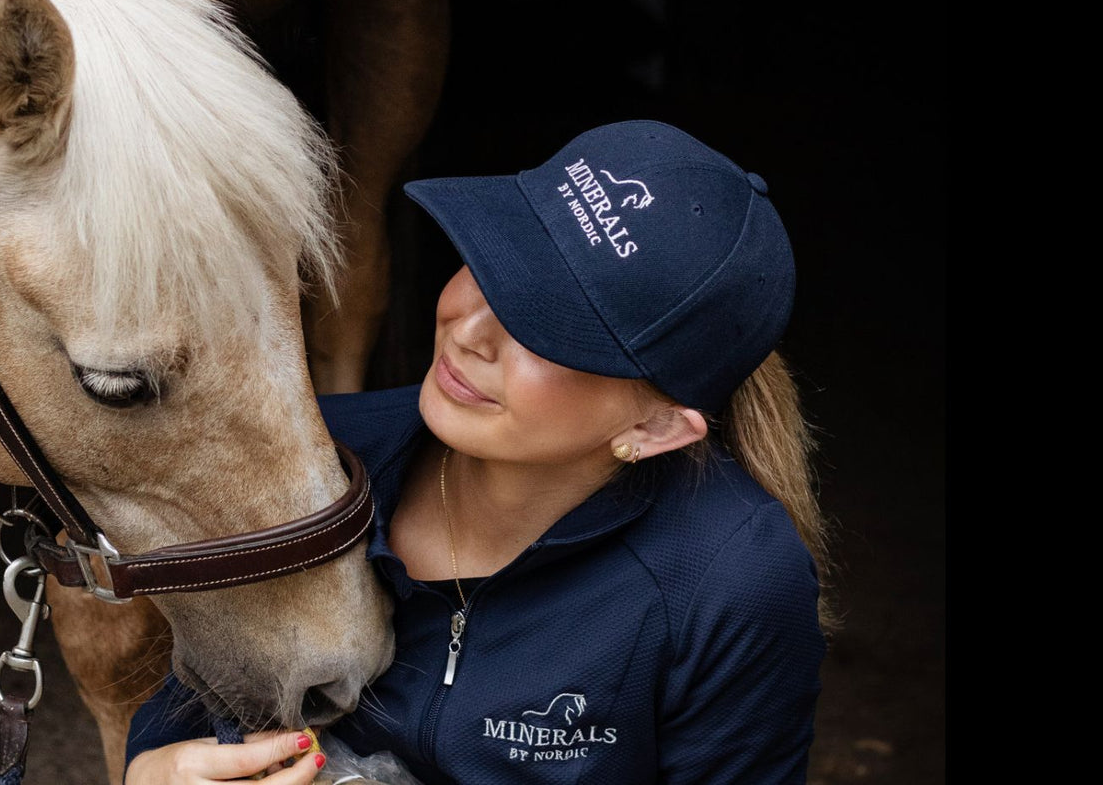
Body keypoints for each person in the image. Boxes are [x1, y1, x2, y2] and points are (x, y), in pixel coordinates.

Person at [122, 120, 832, 784]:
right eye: (491, 265)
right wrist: (149, 770)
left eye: (545, 326)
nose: (470, 330)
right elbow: (180, 716)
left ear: (655, 430)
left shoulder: (731, 582)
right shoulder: (320, 459)